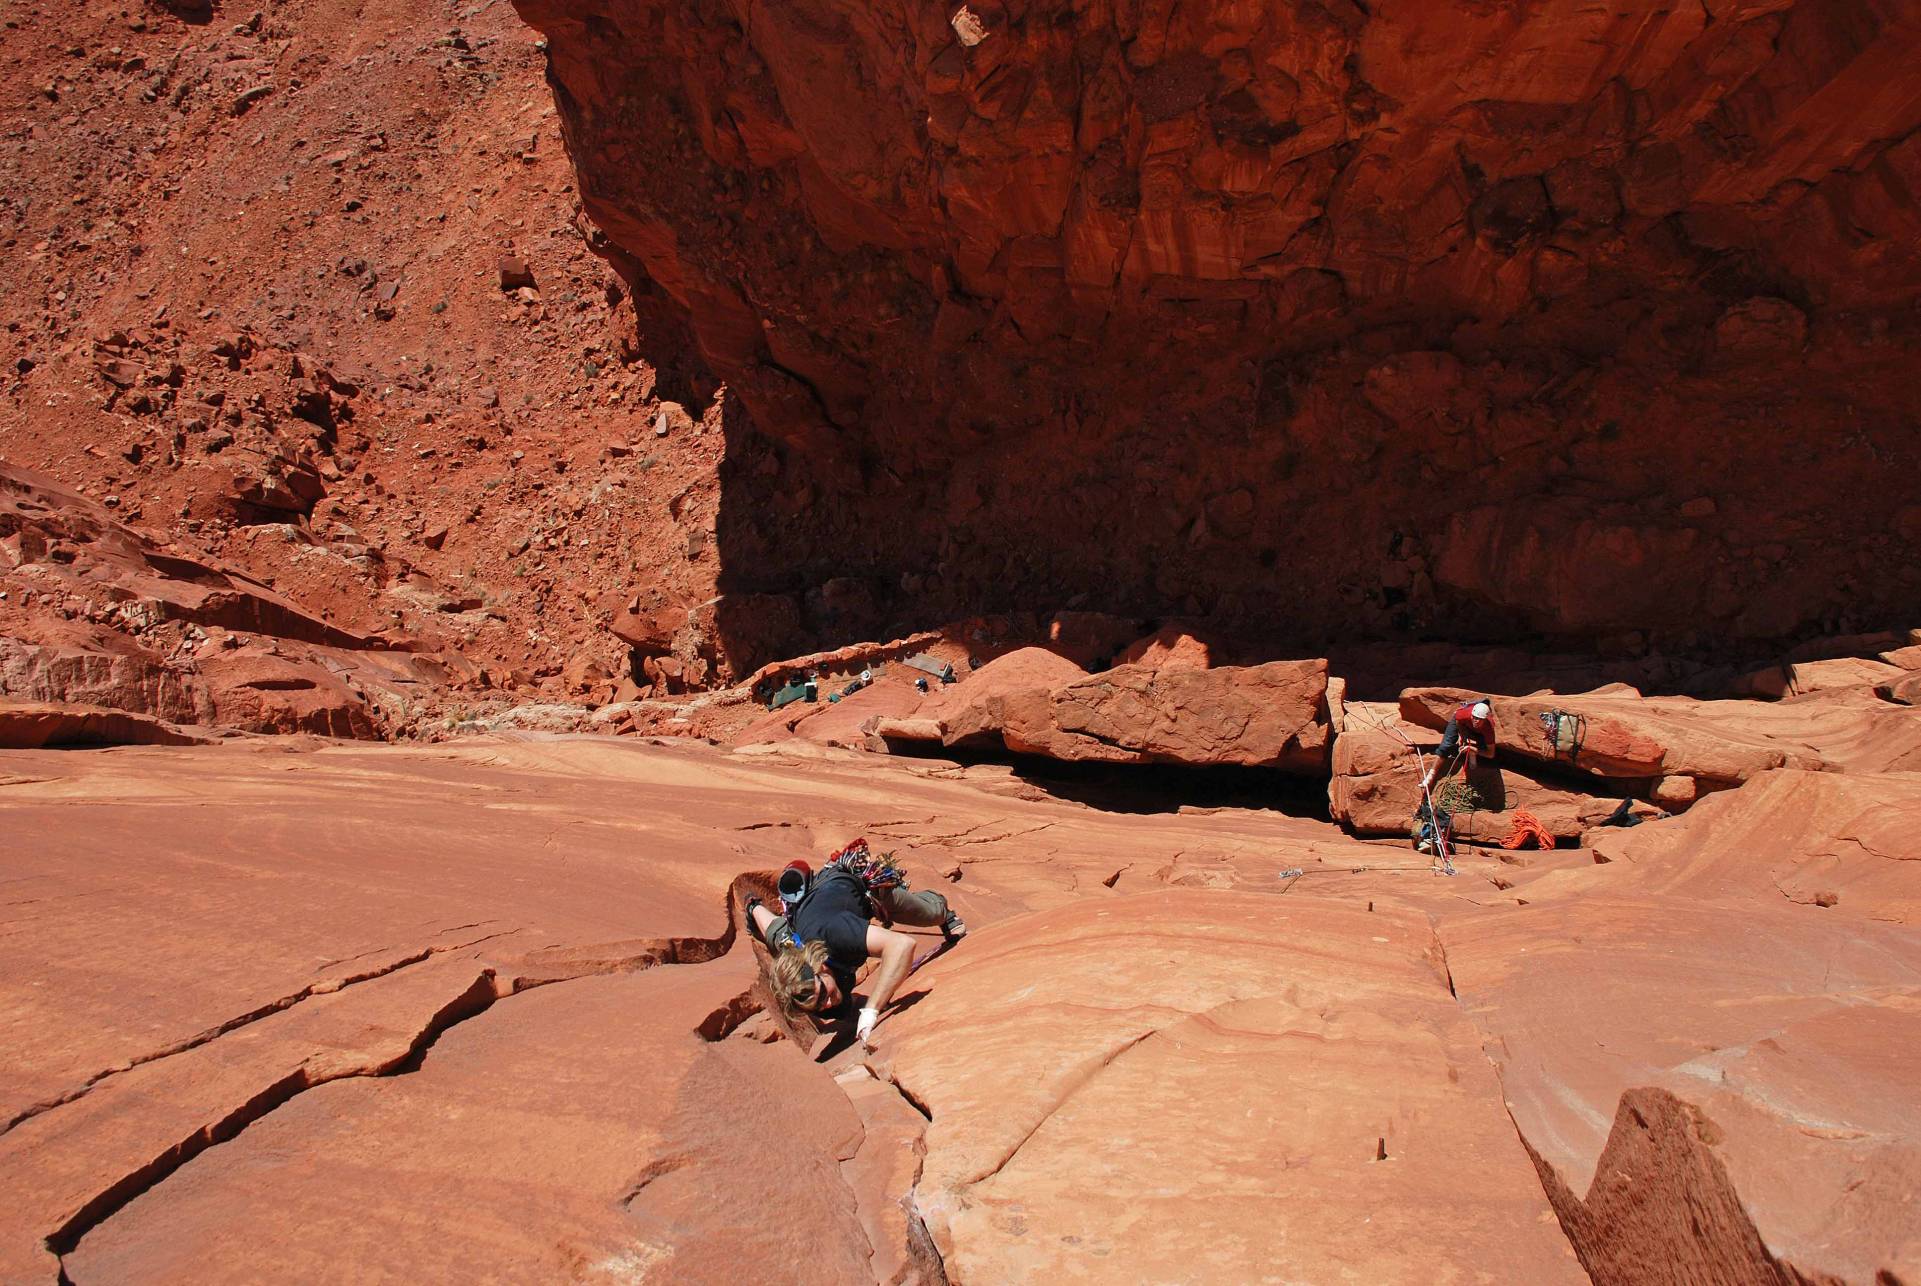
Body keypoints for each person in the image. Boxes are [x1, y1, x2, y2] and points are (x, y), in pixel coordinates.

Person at [746, 842, 964, 1047]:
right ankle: (752, 906)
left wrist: (872, 1009)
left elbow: (902, 945)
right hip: (806, 915)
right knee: (833, 1005)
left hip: (859, 888)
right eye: (818, 1002)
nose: (826, 1002)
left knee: (932, 913)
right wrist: (753, 908)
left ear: (818, 967)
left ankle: (945, 913)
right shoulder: (792, 950)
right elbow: (773, 930)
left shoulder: (836, 932)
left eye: (822, 995)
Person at [1422, 698, 1495, 792]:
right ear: (1471, 715)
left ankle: (1472, 753)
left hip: (1479, 733)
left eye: (1479, 719)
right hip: (1461, 722)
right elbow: (1458, 721)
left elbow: (1490, 754)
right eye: (1474, 717)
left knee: (1482, 745)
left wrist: (1472, 748)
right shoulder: (1464, 714)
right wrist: (1463, 736)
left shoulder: (1488, 729)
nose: (1476, 721)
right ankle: (1430, 776)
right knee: (1446, 745)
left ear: (1485, 720)